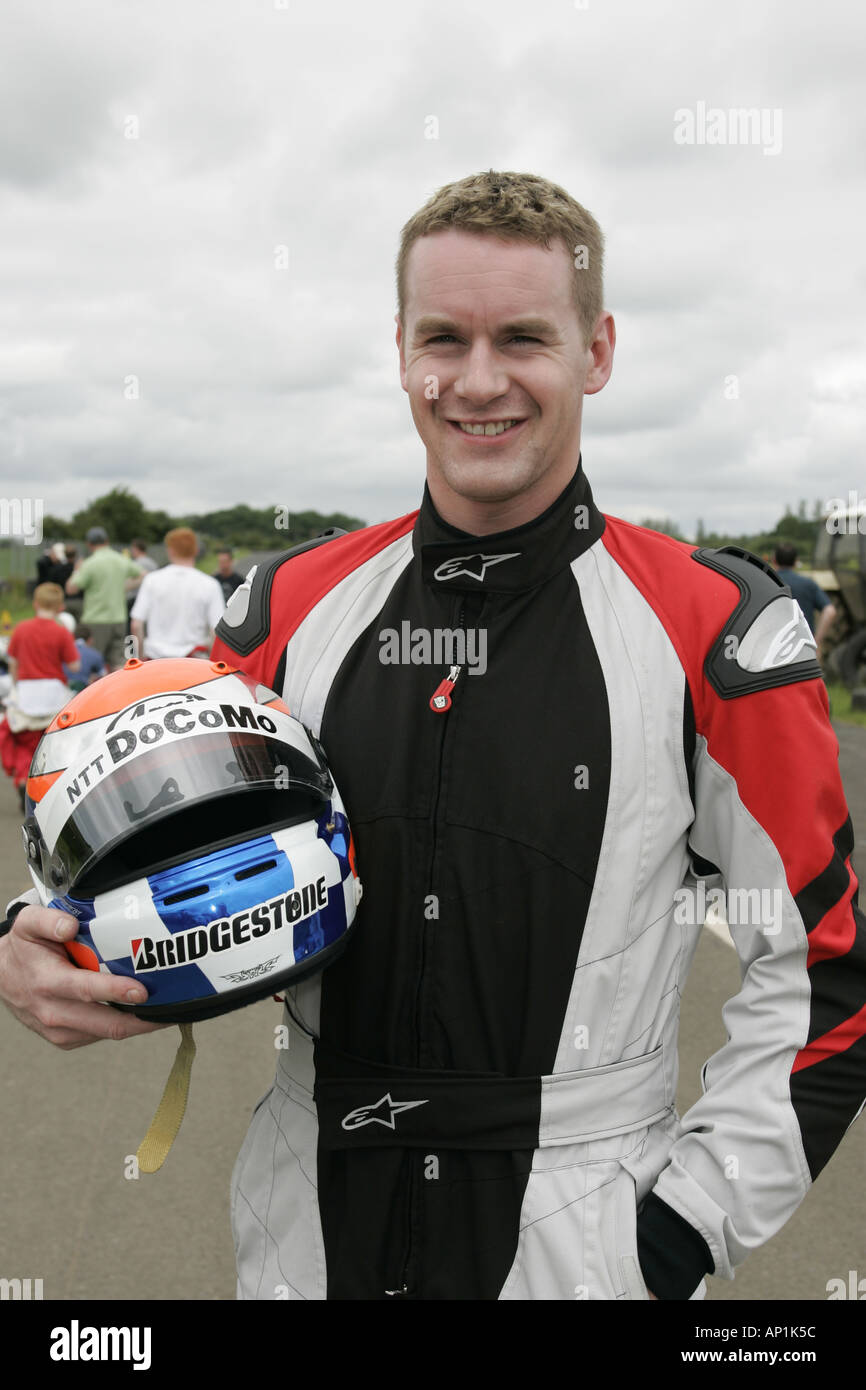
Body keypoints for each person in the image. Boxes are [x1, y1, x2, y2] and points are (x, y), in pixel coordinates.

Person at [1, 171, 865, 1303]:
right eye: (441, 337)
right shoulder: (282, 608)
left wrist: (677, 1233)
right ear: (399, 348)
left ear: (596, 352)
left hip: (582, 1240)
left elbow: (821, 979)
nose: (477, 379)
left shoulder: (718, 626)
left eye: (522, 337)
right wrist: (35, 935)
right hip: (305, 1222)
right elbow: (135, 823)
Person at [0, 583, 79, 811]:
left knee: (25, 744)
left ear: (35, 604)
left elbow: (13, 663)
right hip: (53, 696)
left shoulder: (22, 629)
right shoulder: (61, 632)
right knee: (51, 744)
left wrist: (18, 686)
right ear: (60, 607)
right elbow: (74, 665)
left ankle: (23, 778)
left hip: (26, 695)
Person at [130, 527, 225, 659]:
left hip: (156, 660)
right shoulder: (210, 584)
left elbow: (136, 625)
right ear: (196, 550)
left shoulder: (152, 580)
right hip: (194, 660)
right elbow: (216, 630)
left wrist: (136, 658)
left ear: (170, 550)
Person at [65, 527, 142, 672]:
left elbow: (71, 588)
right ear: (107, 541)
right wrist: (126, 587)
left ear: (89, 544)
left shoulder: (89, 563)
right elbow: (142, 574)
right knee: (119, 664)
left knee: (94, 663)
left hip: (96, 620)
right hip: (119, 617)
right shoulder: (121, 560)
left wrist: (76, 569)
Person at [774, 543, 837, 661]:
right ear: (795, 561)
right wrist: (816, 642)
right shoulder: (808, 584)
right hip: (804, 649)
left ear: (774, 560)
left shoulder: (767, 583)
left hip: (773, 650)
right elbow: (830, 612)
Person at [63, 624, 106, 692]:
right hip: (83, 693)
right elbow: (104, 677)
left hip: (63, 689)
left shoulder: (63, 651)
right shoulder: (95, 654)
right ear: (90, 639)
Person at [125, 538, 159, 615]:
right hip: (151, 598)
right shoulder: (152, 563)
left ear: (136, 549)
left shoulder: (135, 564)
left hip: (136, 598)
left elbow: (131, 581)